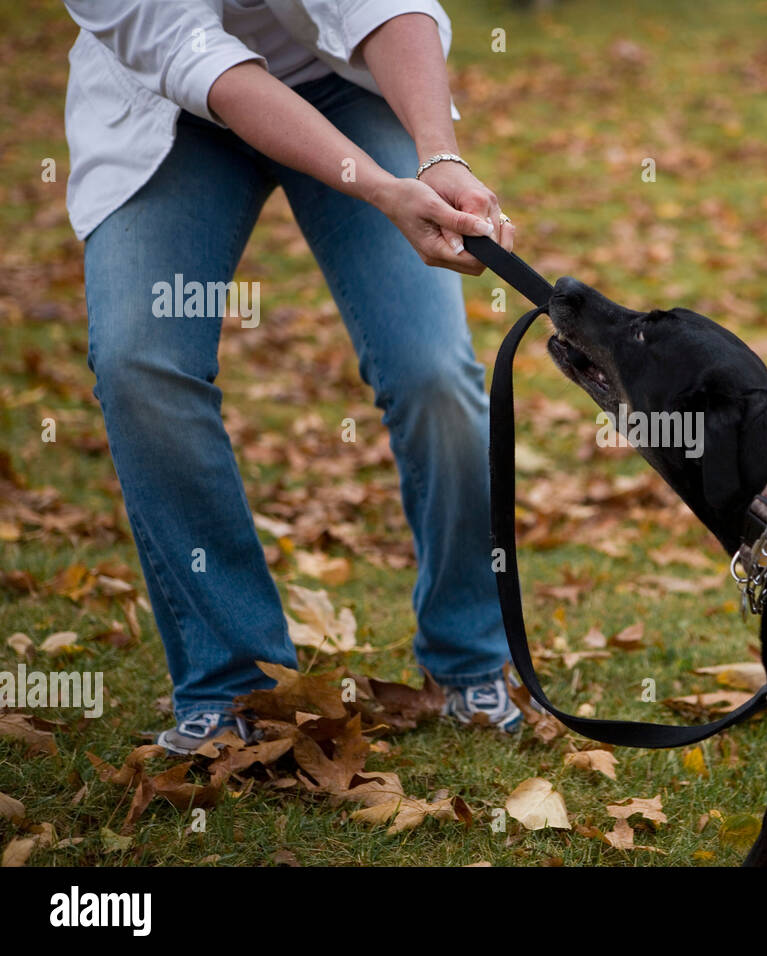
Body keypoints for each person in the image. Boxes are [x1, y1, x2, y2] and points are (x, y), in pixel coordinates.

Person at [61, 1, 522, 753]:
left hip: (343, 82)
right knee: (139, 361)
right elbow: (192, 53)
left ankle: (470, 662)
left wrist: (438, 156)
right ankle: (234, 685)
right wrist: (381, 188)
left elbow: (385, 4)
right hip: (172, 110)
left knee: (434, 372)